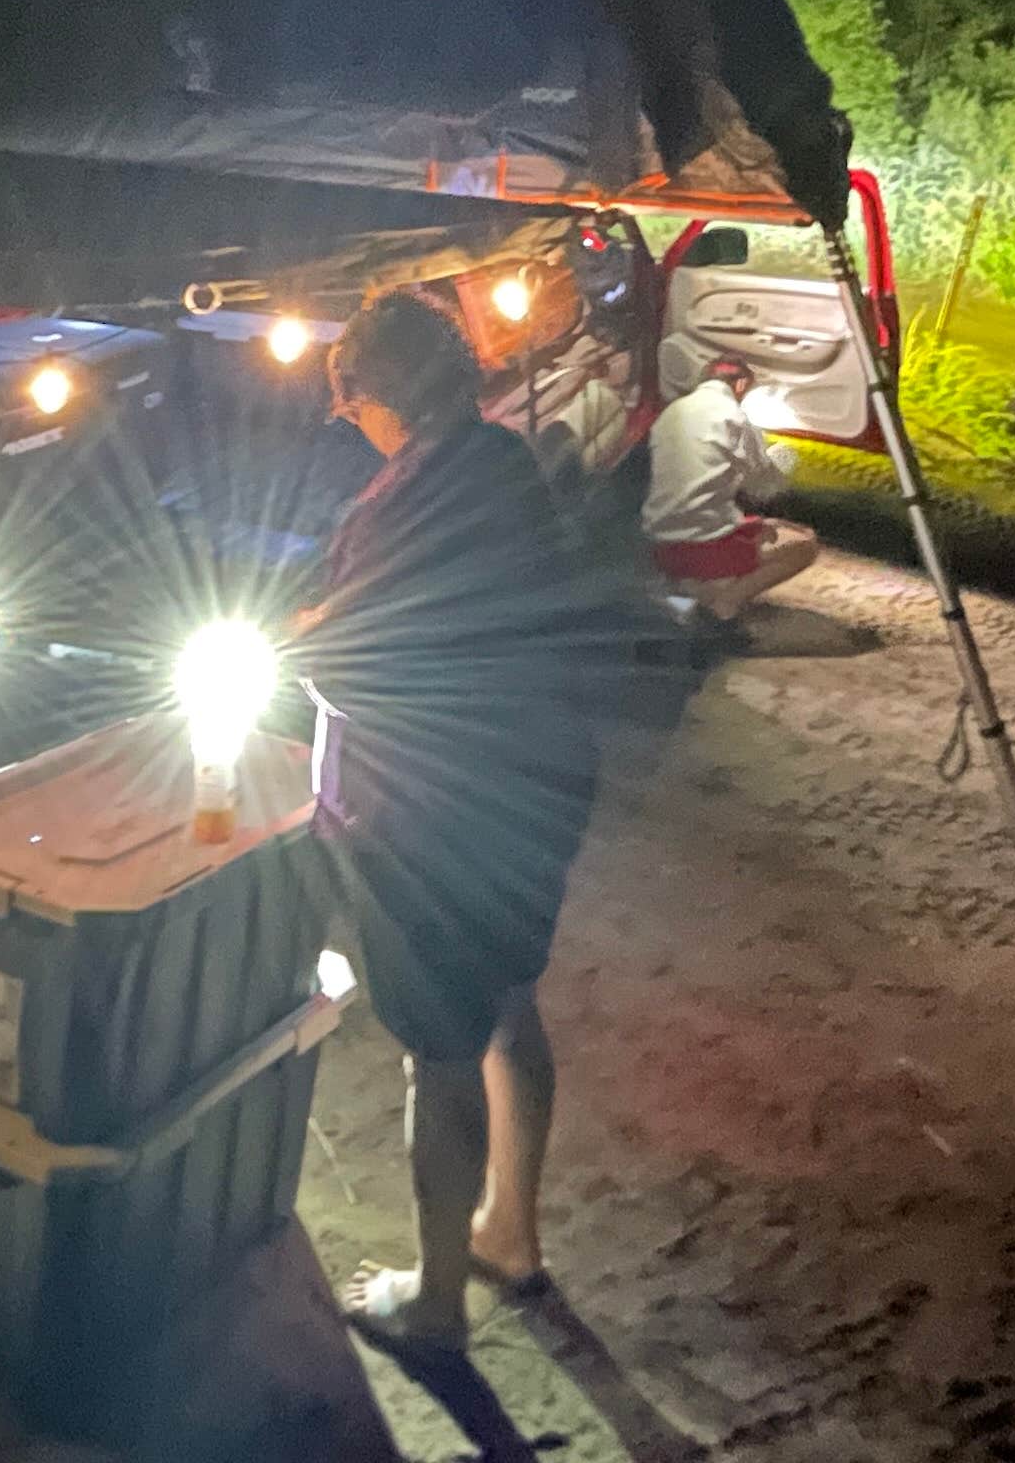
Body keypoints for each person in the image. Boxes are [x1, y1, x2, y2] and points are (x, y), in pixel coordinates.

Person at [291, 286, 609, 1360]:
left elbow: (356, 656)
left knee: (439, 1047)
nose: (353, 429)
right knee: (509, 1002)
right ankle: (510, 1233)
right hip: (536, 785)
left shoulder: (405, 500)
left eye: (351, 410)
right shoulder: (502, 463)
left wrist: (299, 640)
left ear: (372, 392)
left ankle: (434, 1303)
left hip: (436, 810)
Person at [640, 356, 822, 621]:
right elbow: (763, 488)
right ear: (741, 385)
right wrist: (783, 457)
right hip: (703, 547)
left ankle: (687, 590)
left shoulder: (669, 414)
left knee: (761, 524)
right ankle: (724, 606)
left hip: (658, 545)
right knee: (803, 542)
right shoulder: (734, 417)